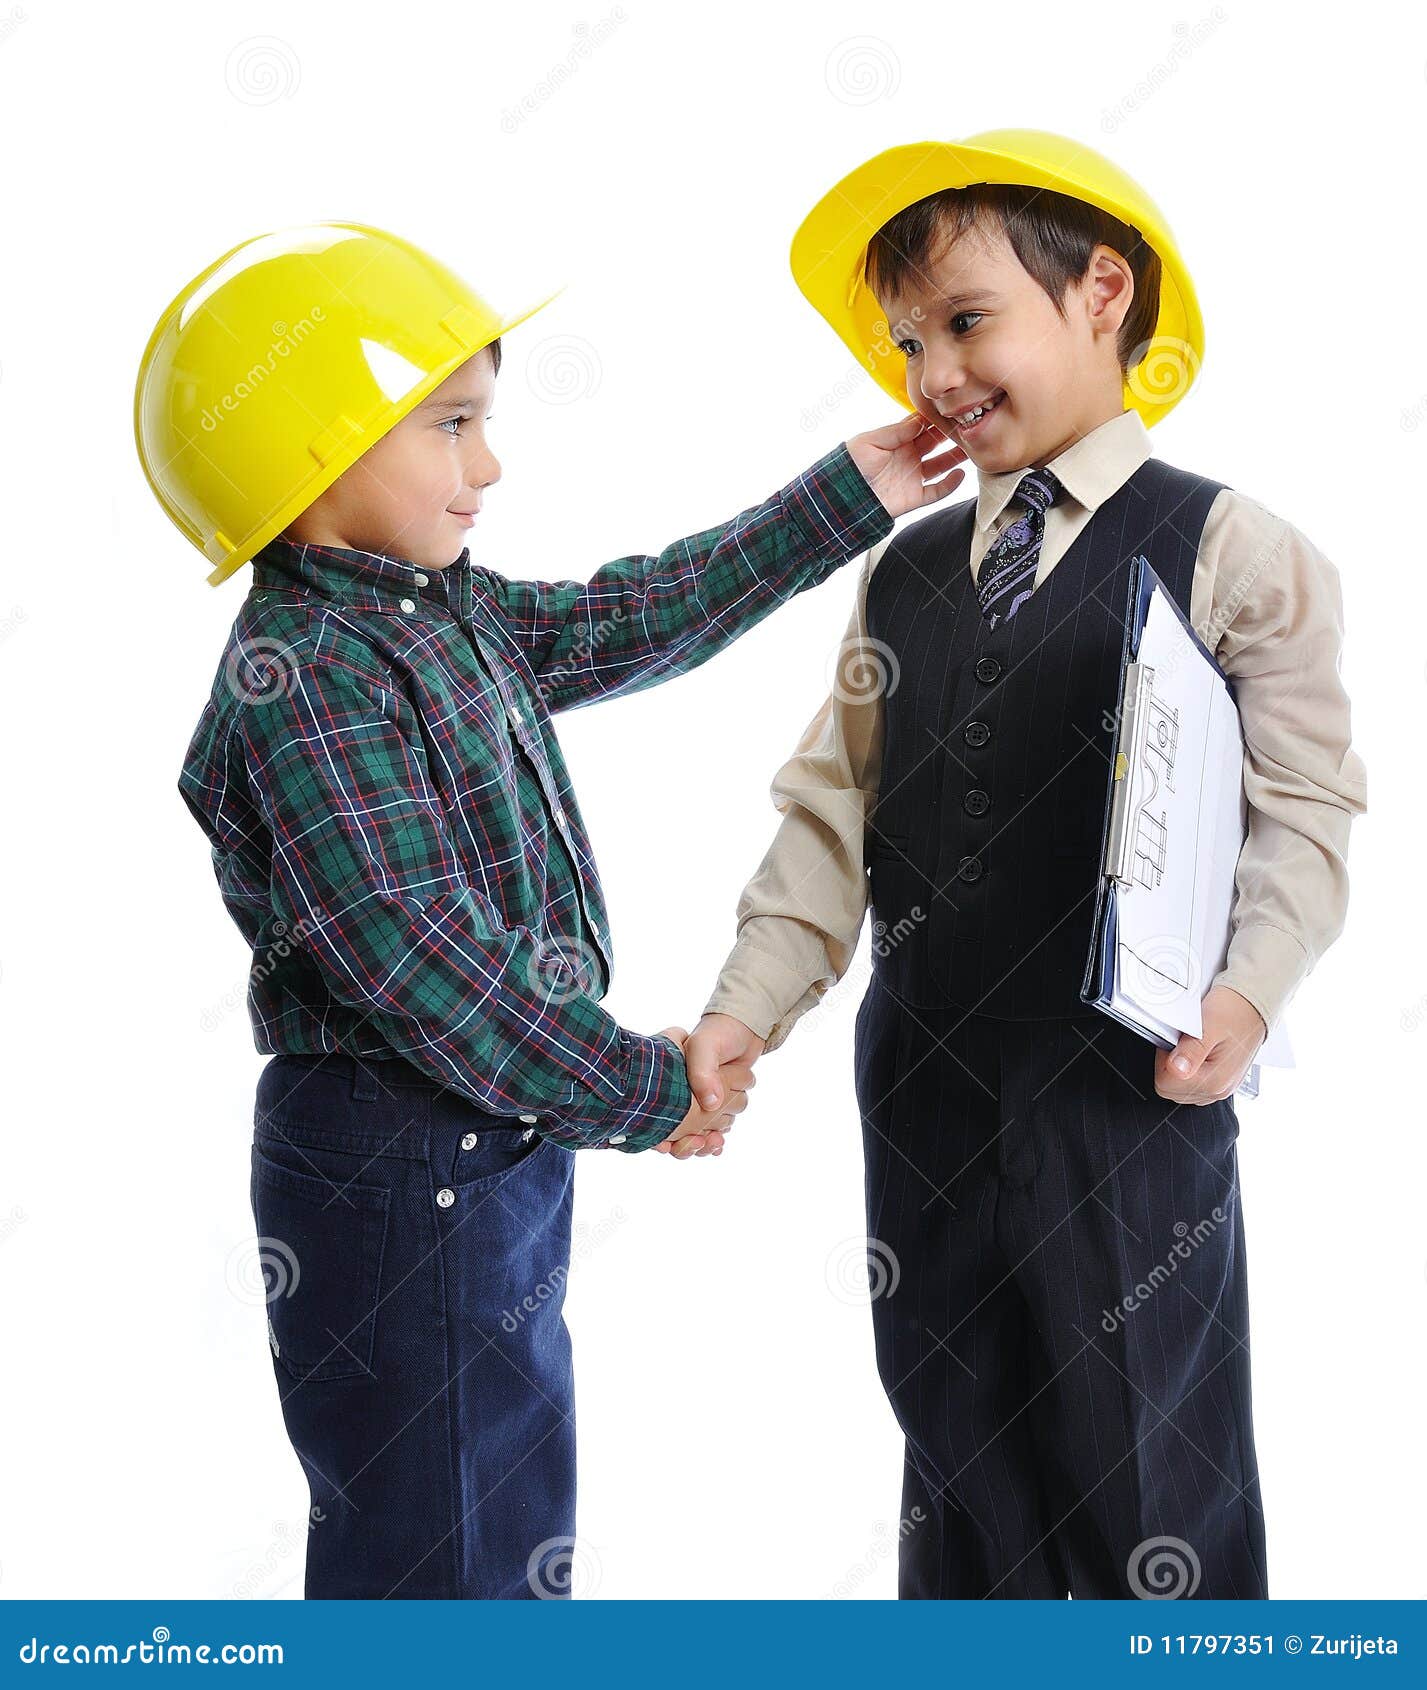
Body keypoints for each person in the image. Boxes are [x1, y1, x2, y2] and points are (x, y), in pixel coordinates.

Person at [137, 221, 965, 1597]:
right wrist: (648, 1090)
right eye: (452, 424)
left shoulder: (430, 610)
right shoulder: (311, 679)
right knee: (438, 1534)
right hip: (404, 1159)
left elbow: (627, 617)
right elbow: (428, 972)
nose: (490, 462)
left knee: (501, 1506)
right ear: (308, 457)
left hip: (486, 1138)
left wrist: (845, 499)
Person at [684, 131, 1367, 1598]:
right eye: (908, 339)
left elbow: (1307, 809)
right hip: (924, 1101)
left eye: (967, 320)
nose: (932, 372)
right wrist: (745, 1012)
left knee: (1150, 1489)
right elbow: (830, 813)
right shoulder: (907, 568)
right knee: (962, 1496)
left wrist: (1246, 994)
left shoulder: (1236, 548)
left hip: (1124, 1109)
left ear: (1102, 291)